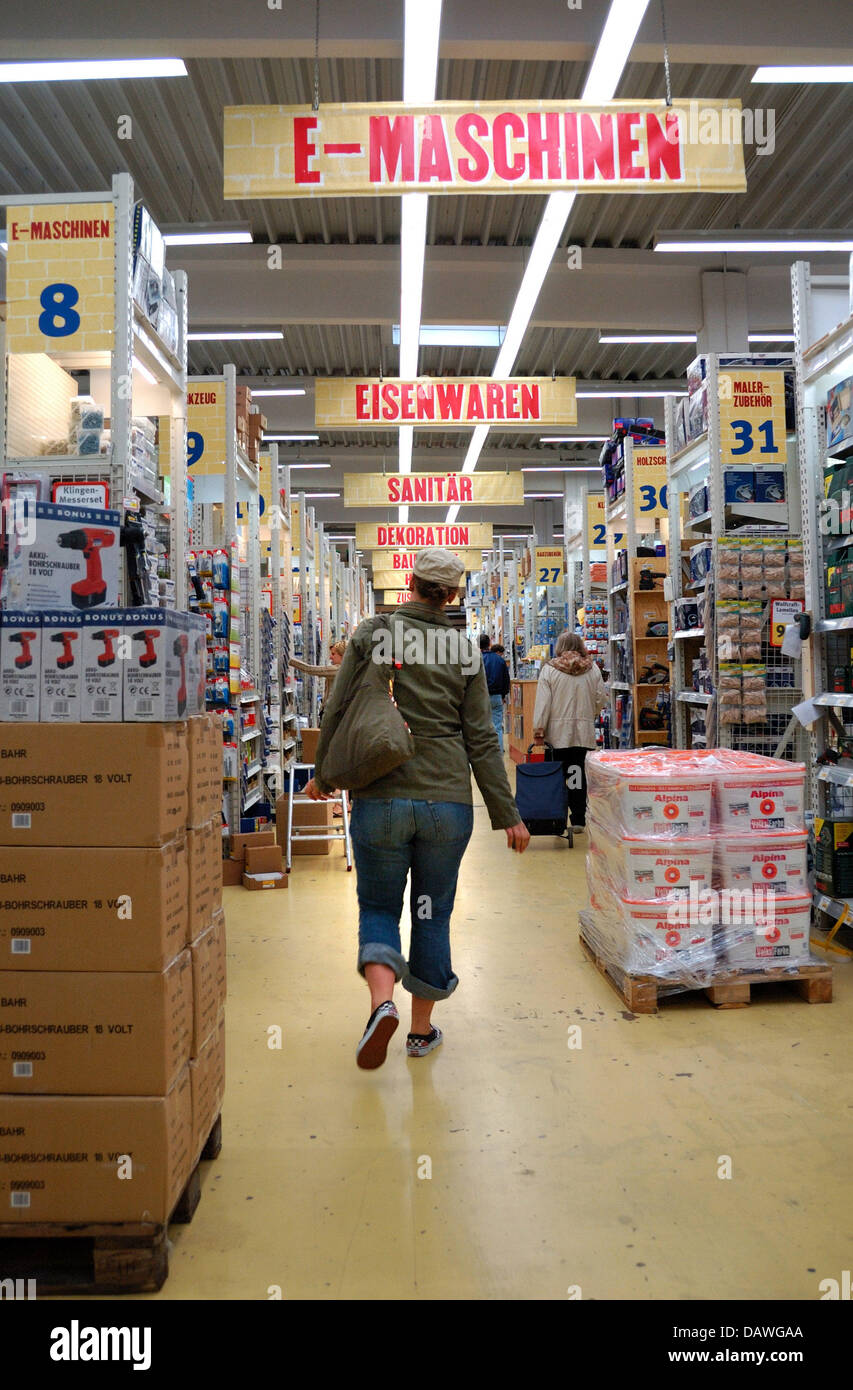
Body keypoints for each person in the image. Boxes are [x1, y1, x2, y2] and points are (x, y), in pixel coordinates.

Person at [303, 548, 530, 1070]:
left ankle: (382, 1004)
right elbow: (481, 740)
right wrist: (508, 814)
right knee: (432, 912)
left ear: (409, 581)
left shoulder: (377, 633)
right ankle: (420, 1032)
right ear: (453, 595)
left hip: (380, 796)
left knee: (379, 908)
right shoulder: (466, 651)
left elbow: (337, 707)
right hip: (446, 803)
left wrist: (324, 773)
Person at [532, 631, 607, 831]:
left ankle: (557, 819)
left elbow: (543, 704)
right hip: (582, 735)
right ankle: (579, 819)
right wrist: (589, 715)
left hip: (556, 736)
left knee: (556, 778)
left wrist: (539, 731)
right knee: (577, 777)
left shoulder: (549, 670)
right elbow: (601, 698)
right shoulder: (592, 669)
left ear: (560, 646)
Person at [479, 632, 511, 752]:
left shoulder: (476, 660)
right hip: (497, 697)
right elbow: (506, 680)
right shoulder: (500, 660)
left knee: (481, 726)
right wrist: (503, 695)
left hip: (480, 697)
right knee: (497, 726)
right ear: (489, 644)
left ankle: (484, 751)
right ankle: (498, 750)